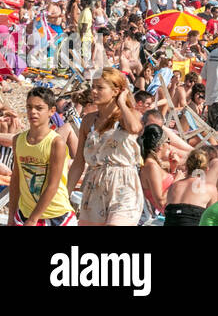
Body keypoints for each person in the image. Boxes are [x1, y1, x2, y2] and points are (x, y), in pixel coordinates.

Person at [67, 68, 145, 226]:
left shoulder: (127, 115)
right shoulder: (88, 120)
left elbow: (135, 128)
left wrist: (122, 103)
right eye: (93, 87)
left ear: (116, 91)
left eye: (100, 87)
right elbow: (79, 162)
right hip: (94, 184)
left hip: (124, 183)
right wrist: (65, 192)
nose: (94, 91)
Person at [5, 87, 75, 226]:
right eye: (29, 107)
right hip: (26, 213)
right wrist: (11, 216)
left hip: (55, 214)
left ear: (51, 111)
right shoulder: (18, 140)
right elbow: (16, 179)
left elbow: (53, 184)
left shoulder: (56, 142)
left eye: (39, 108)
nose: (33, 112)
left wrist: (33, 219)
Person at [164, 149, 218, 226]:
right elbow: (211, 219)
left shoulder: (174, 186)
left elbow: (166, 212)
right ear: (206, 170)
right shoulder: (210, 189)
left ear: (186, 166)